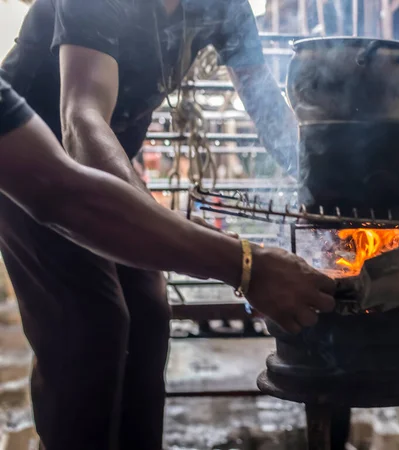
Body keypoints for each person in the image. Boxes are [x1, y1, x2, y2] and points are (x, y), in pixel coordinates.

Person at [0, 0, 318, 448]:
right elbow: (82, 118)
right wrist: (239, 262)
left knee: (149, 315)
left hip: (110, 159)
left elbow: (263, 98)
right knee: (93, 325)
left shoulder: (226, 8)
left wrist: (320, 183)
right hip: (31, 164)